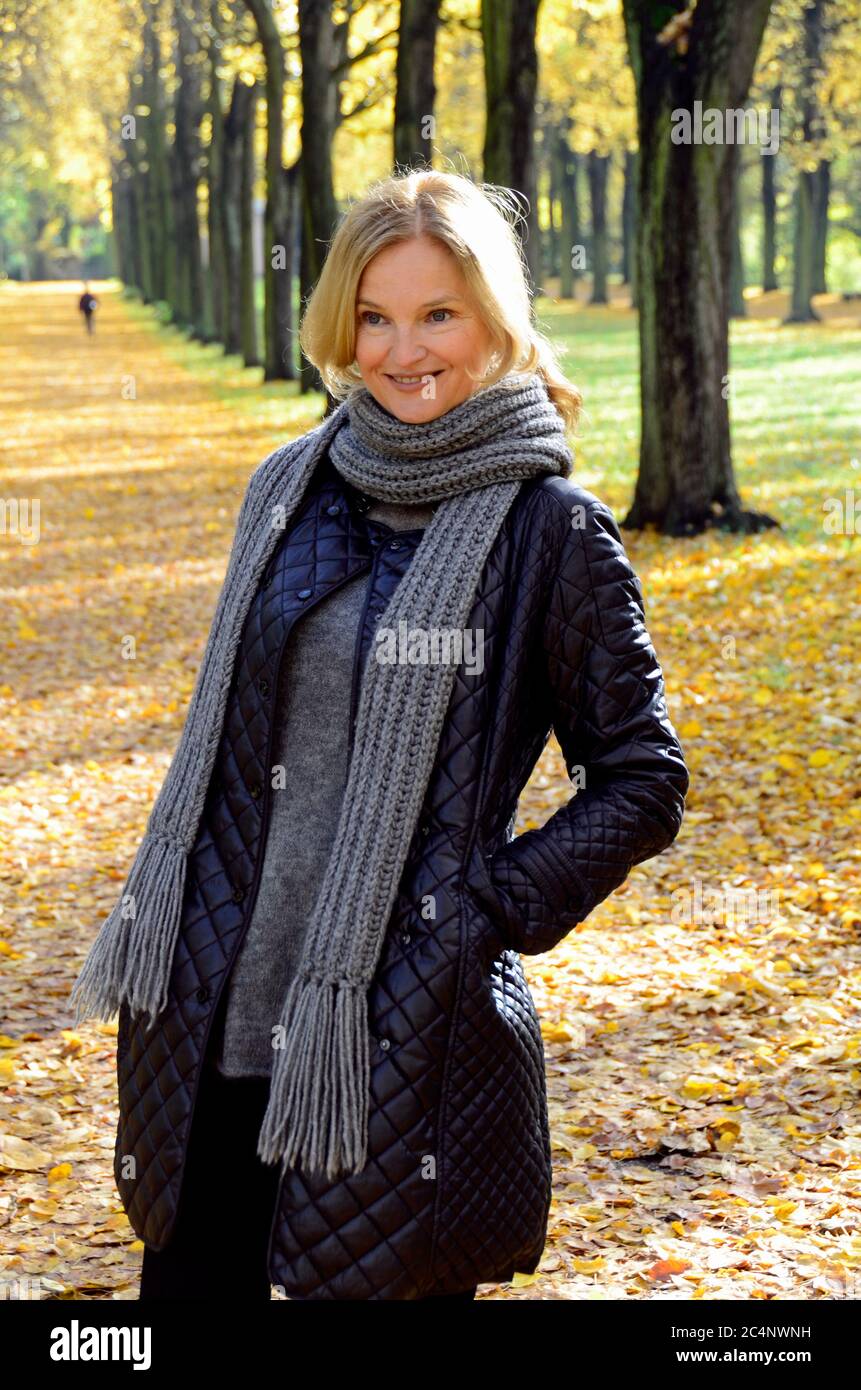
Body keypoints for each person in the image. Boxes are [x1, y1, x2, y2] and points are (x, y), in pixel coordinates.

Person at [68, 168, 689, 1301]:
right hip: (212, 1013)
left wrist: (480, 912)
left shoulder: (554, 536)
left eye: (438, 313)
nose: (404, 349)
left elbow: (643, 780)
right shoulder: (286, 490)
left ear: (494, 318)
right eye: (375, 315)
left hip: (400, 1040)